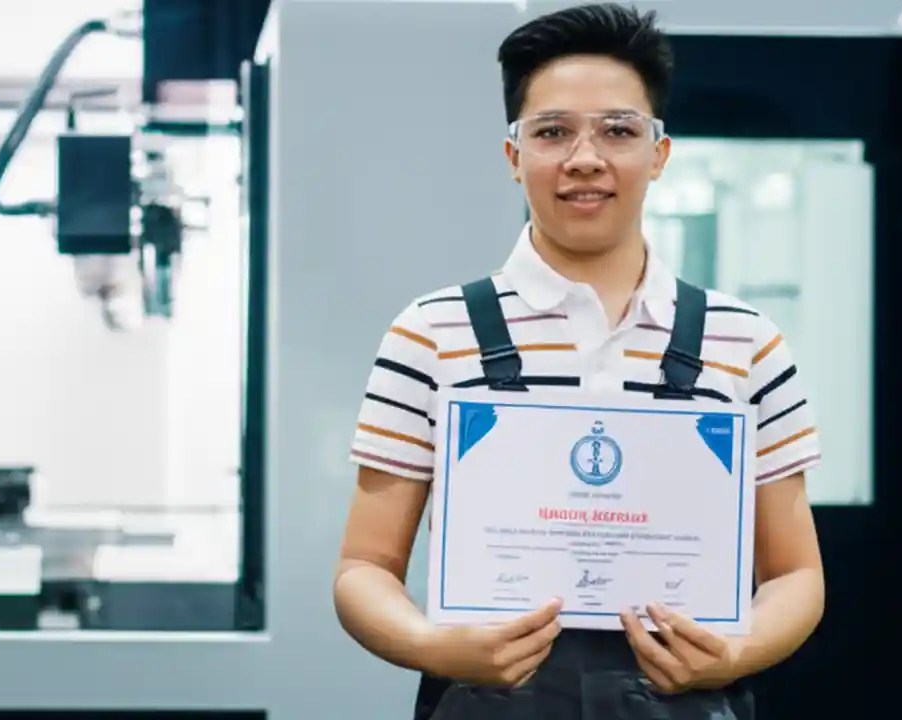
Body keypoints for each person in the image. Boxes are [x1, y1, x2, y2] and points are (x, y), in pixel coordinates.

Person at [332, 3, 825, 719]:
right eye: (553, 131)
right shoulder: (431, 333)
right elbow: (363, 569)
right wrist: (433, 646)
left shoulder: (745, 342)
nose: (585, 157)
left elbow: (796, 574)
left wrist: (736, 653)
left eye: (619, 130)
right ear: (514, 156)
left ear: (658, 153)